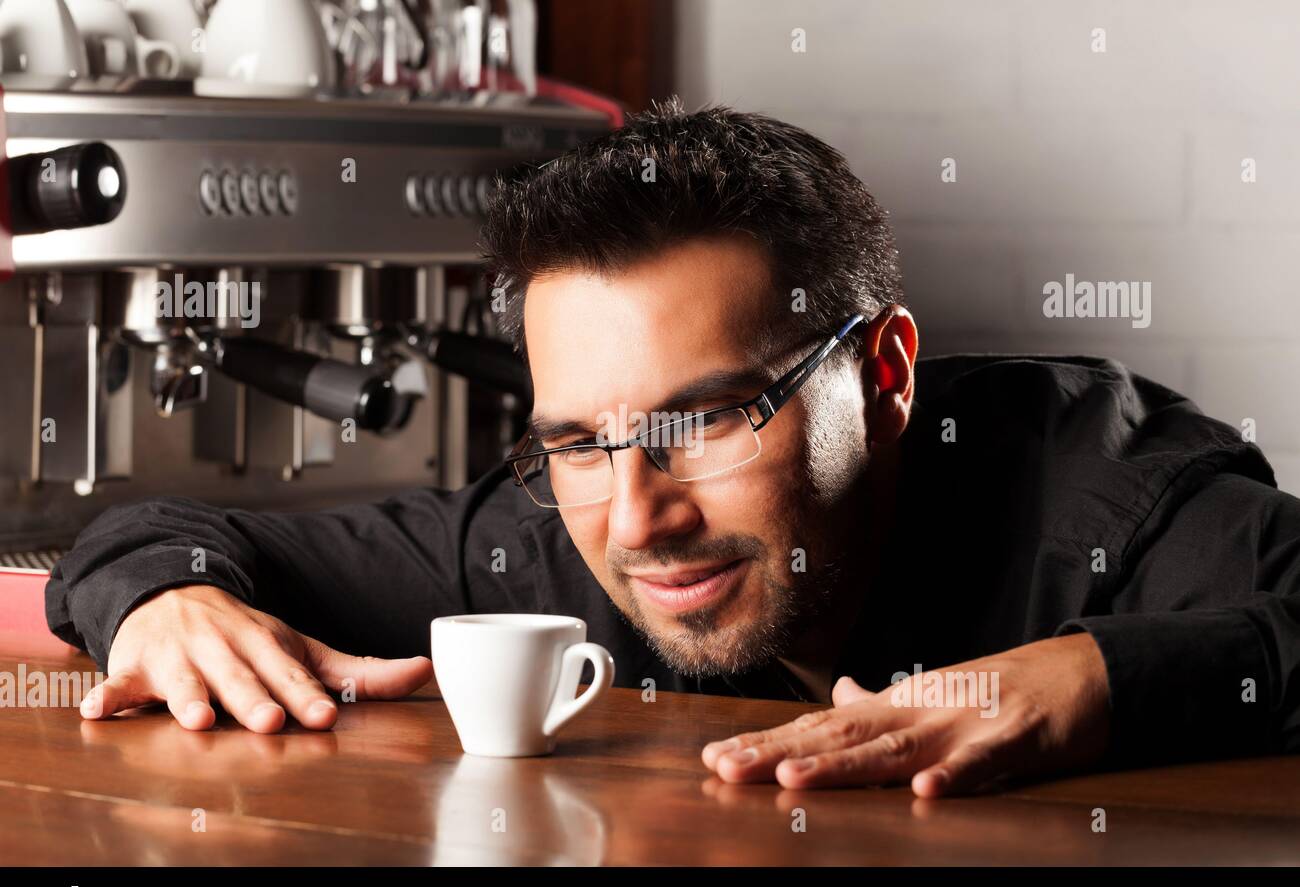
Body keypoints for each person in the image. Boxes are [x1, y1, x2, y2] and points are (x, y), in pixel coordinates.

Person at [46, 100, 1300, 797]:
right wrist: (166, 600)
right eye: (580, 441)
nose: (637, 520)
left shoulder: (1102, 492)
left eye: (697, 421)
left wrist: (1082, 684)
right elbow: (160, 536)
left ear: (885, 373)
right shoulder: (542, 533)